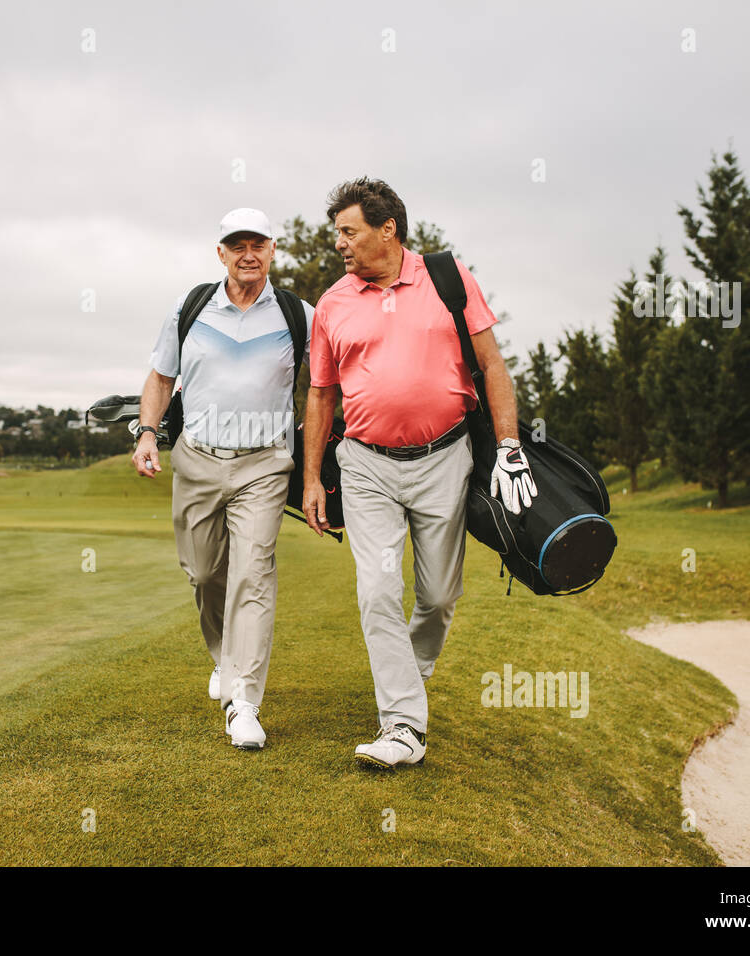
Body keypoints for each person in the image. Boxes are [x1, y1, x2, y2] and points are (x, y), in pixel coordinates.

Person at [301, 178, 537, 769]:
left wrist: (510, 448)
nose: (340, 244)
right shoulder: (332, 304)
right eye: (337, 234)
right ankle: (403, 724)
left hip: (445, 460)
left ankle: (409, 671)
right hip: (365, 466)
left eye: (349, 232)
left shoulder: (448, 278)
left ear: (388, 229)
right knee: (378, 590)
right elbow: (320, 396)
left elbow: (492, 365)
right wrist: (310, 479)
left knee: (437, 595)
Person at [133, 208, 314, 751]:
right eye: (237, 244)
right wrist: (146, 433)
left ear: (272, 249)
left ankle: (244, 703)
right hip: (197, 459)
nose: (247, 253)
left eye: (256, 242)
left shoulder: (295, 313)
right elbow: (162, 377)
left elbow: (326, 380)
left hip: (264, 463)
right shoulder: (191, 309)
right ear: (221, 253)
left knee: (252, 576)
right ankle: (223, 658)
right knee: (204, 572)